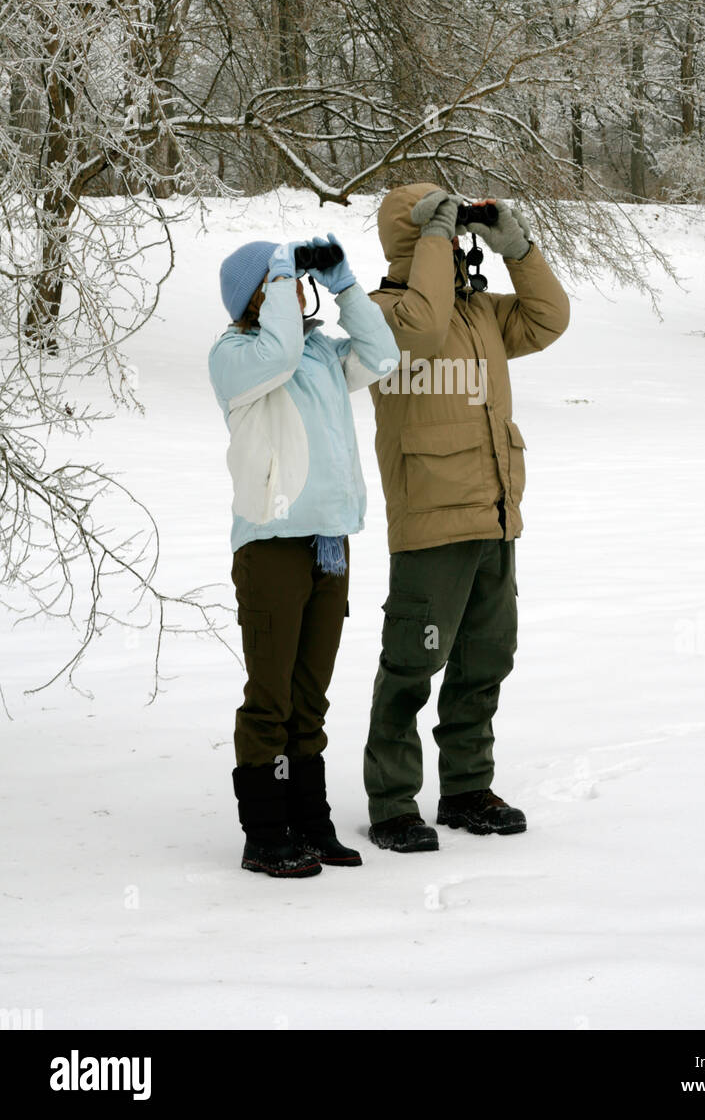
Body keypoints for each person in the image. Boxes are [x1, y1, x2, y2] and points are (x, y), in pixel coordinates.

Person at [363, 185, 570, 852]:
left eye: (456, 231)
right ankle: (393, 803)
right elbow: (422, 329)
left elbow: (549, 318)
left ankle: (466, 789)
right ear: (410, 237)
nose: (453, 241)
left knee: (486, 660)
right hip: (430, 527)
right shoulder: (381, 315)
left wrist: (518, 247)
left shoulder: (480, 312)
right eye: (441, 229)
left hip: (495, 516)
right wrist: (430, 239)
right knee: (410, 667)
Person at [208, 233, 398, 877]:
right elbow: (279, 349)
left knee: (309, 697)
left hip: (329, 540)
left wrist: (345, 286)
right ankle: (264, 832)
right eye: (280, 280)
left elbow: (382, 355)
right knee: (271, 697)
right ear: (256, 294)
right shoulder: (236, 356)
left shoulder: (318, 352)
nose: (294, 289)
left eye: (294, 279)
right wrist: (282, 275)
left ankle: (309, 821)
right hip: (271, 544)